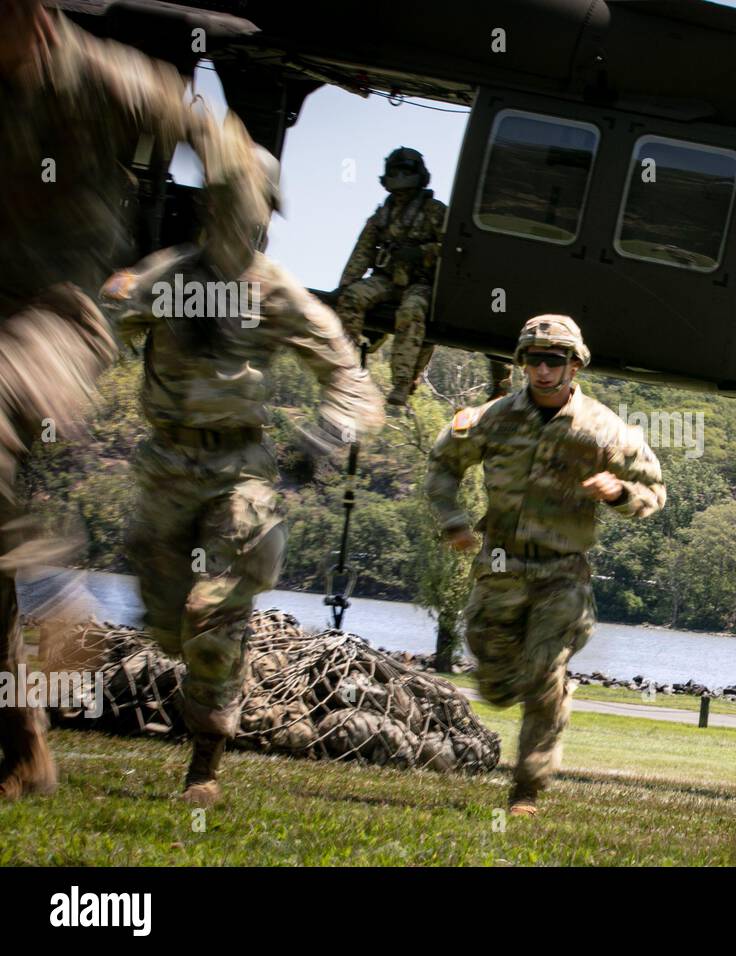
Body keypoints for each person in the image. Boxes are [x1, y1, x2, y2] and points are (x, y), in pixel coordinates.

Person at [0, 0, 245, 799]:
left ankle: (45, 584)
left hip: (51, 316)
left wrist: (219, 256)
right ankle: (24, 746)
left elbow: (229, 150)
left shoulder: (108, 77)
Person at [101, 123, 385, 806]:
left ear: (263, 213)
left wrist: (325, 436)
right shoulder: (168, 274)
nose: (234, 214)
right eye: (224, 201)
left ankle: (206, 762)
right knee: (166, 624)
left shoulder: (274, 291)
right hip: (166, 463)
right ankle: (208, 670)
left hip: (239, 472)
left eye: (247, 203)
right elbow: (100, 327)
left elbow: (347, 373)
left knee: (210, 613)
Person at [424, 314, 665, 816]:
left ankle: (526, 792)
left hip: (562, 571)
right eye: (533, 359)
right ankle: (541, 692)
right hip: (499, 564)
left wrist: (619, 491)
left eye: (554, 360)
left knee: (543, 675)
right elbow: (443, 464)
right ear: (521, 363)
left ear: (574, 366)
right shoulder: (492, 418)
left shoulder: (603, 428)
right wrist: (452, 520)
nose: (542, 369)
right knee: (494, 683)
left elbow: (653, 492)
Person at [335, 147, 511, 406]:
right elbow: (362, 253)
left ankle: (402, 381)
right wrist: (346, 285)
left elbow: (455, 250)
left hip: (422, 285)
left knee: (412, 310)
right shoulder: (381, 217)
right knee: (351, 298)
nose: (401, 190)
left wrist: (422, 253)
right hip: (386, 280)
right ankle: (343, 365)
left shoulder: (435, 212)